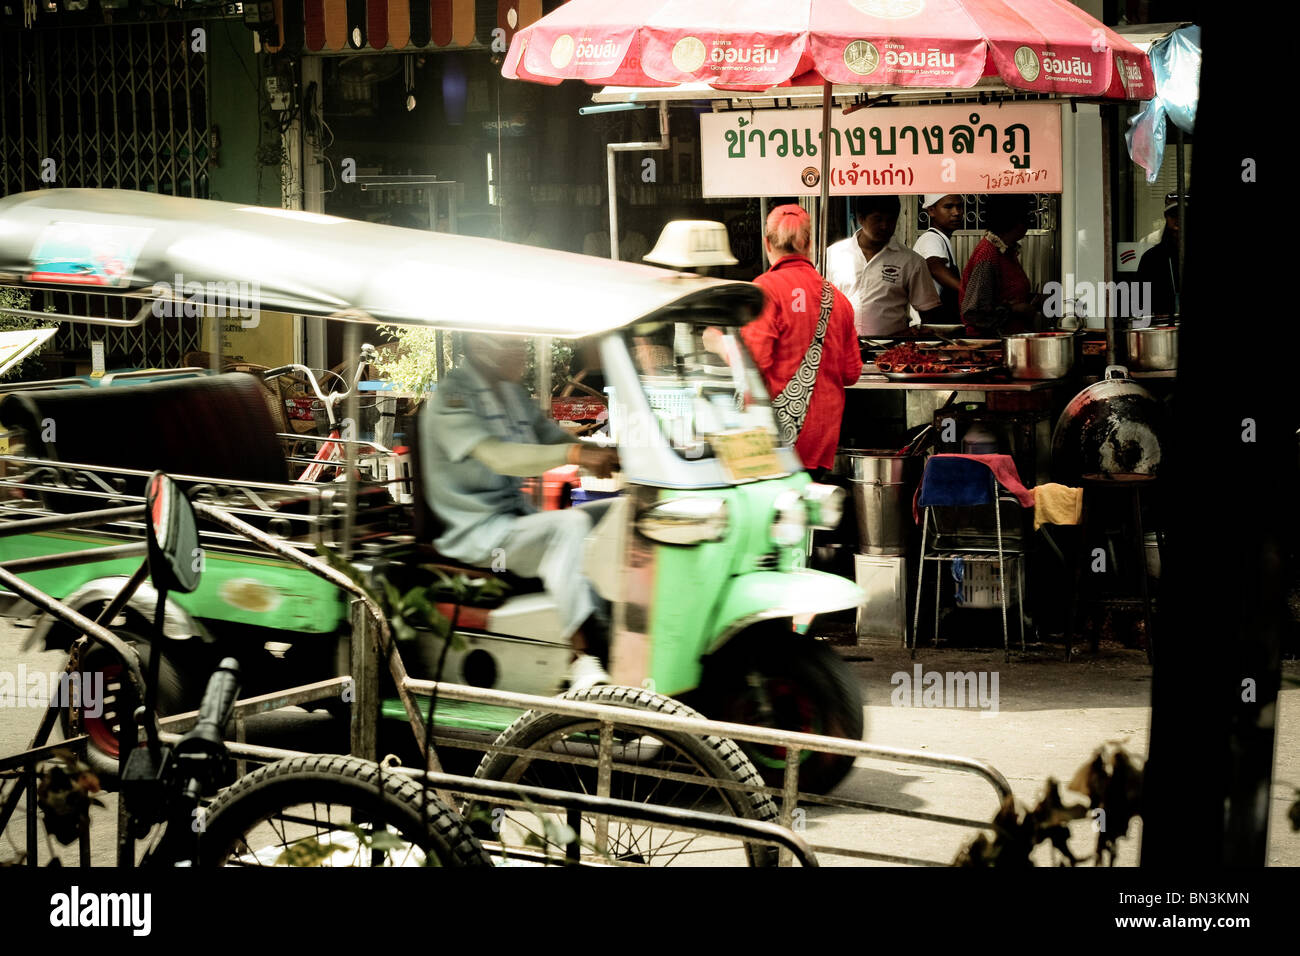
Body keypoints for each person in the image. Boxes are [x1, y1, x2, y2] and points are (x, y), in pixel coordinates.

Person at [420, 334, 620, 690]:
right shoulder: (453, 398)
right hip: (476, 534)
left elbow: (550, 438)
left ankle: (617, 641)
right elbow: (500, 457)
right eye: (512, 344)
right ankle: (582, 659)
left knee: (614, 512)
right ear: (483, 346)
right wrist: (576, 457)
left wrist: (615, 454)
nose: (523, 352)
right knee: (569, 525)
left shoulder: (511, 392)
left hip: (514, 519)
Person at [734, 205, 861, 474]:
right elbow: (851, 373)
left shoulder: (763, 291)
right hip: (822, 436)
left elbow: (753, 363)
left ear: (767, 243)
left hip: (773, 439)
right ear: (809, 244)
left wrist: (720, 345)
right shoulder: (838, 300)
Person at [825, 195, 945, 338]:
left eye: (891, 220)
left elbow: (928, 311)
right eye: (878, 219)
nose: (885, 226)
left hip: (891, 351)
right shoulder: (833, 255)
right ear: (860, 218)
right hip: (840, 347)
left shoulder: (911, 261)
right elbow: (817, 303)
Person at [959, 194, 1044, 335]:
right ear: (1015, 221)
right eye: (1026, 217)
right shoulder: (988, 255)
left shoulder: (1005, 251)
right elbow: (974, 313)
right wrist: (1015, 309)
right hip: (992, 343)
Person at [910, 194, 964, 324]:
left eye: (960, 206)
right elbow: (936, 268)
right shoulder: (931, 239)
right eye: (948, 207)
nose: (956, 212)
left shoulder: (941, 239)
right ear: (931, 211)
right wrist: (971, 292)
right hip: (927, 326)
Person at [1135, 193, 1184, 320]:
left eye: (1184, 214)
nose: (1178, 220)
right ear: (1166, 218)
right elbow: (1139, 304)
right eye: (1173, 215)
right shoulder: (1151, 258)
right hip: (1162, 328)